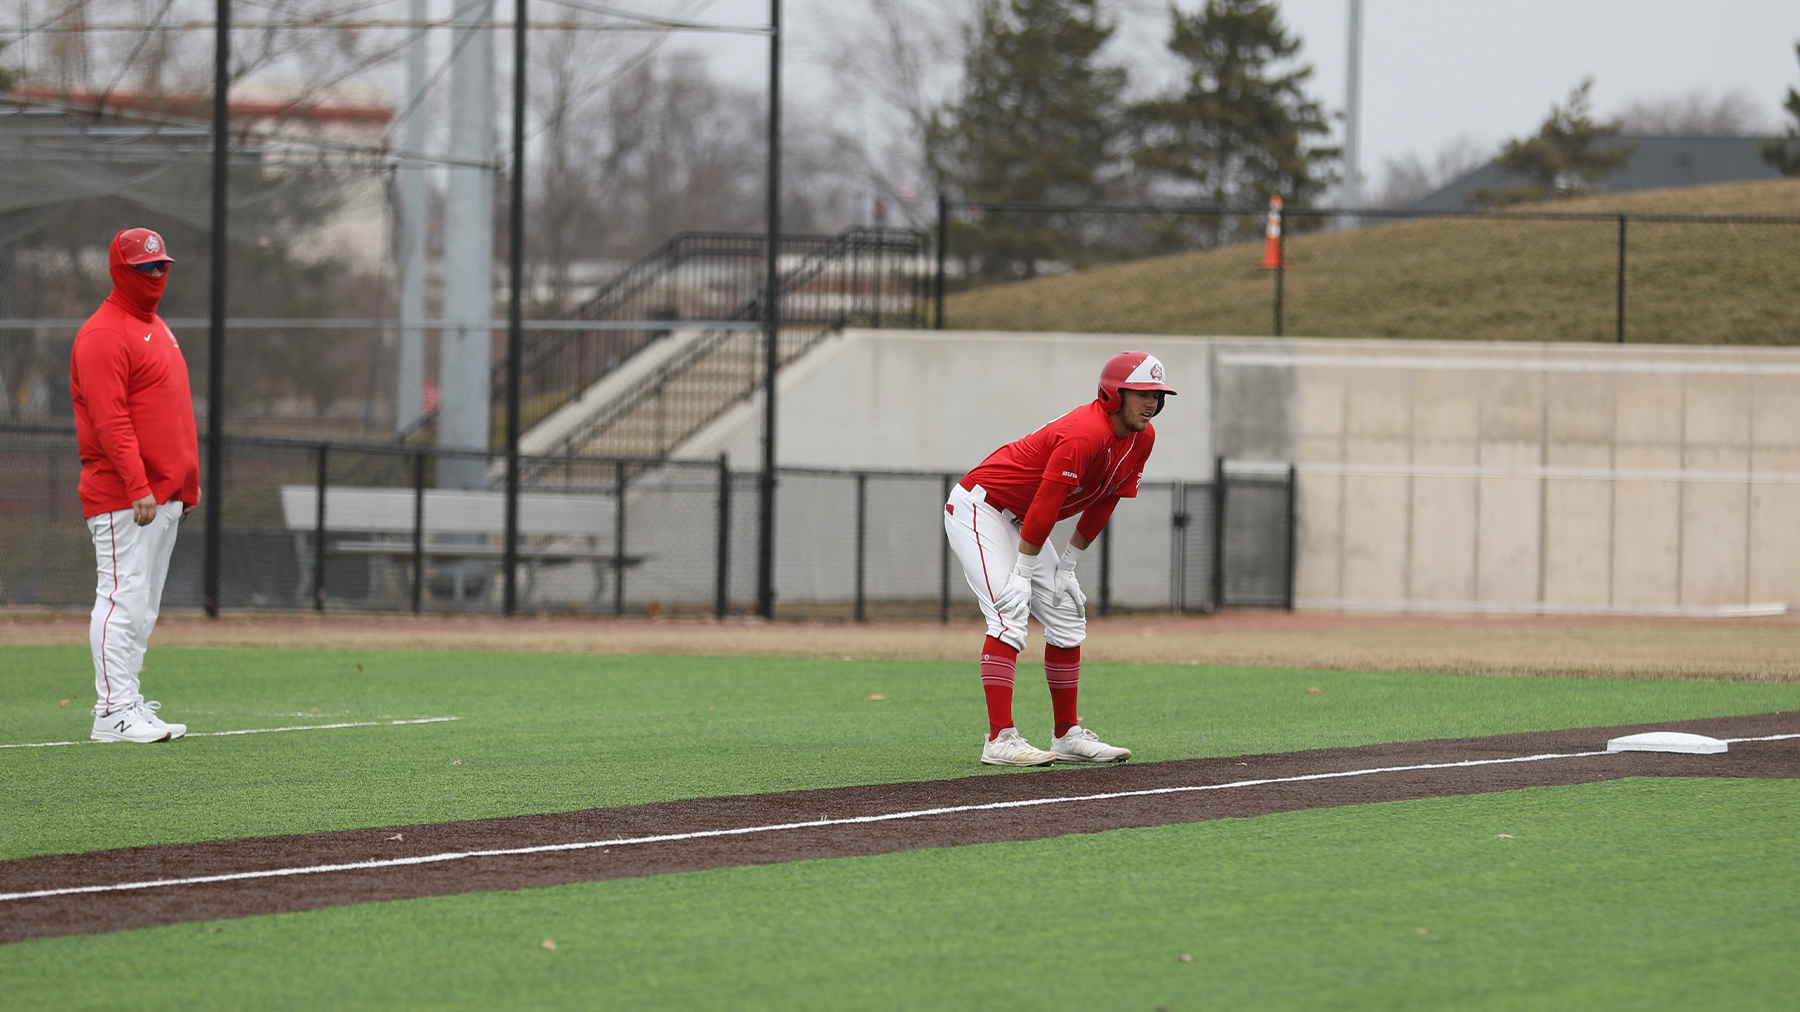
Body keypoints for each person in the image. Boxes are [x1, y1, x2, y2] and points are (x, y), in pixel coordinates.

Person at [943, 351, 1174, 766]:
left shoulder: (1144, 438)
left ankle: (1066, 735)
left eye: (1157, 394)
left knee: (1066, 612)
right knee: (1008, 610)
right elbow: (1047, 504)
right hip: (982, 508)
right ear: (1113, 394)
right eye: (1142, 393)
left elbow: (1106, 502)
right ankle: (999, 739)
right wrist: (1022, 574)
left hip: (1022, 520)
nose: (1151, 403)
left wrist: (1067, 565)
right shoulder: (1086, 431)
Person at [70, 227, 200, 743]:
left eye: (162, 265)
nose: (156, 274)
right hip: (126, 494)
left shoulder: (157, 326)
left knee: (142, 606)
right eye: (146, 267)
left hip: (162, 493)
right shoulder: (104, 334)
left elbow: (173, 415)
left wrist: (186, 485)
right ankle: (111, 711)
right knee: (122, 597)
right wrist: (138, 483)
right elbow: (110, 420)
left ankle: (130, 703)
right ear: (121, 271)